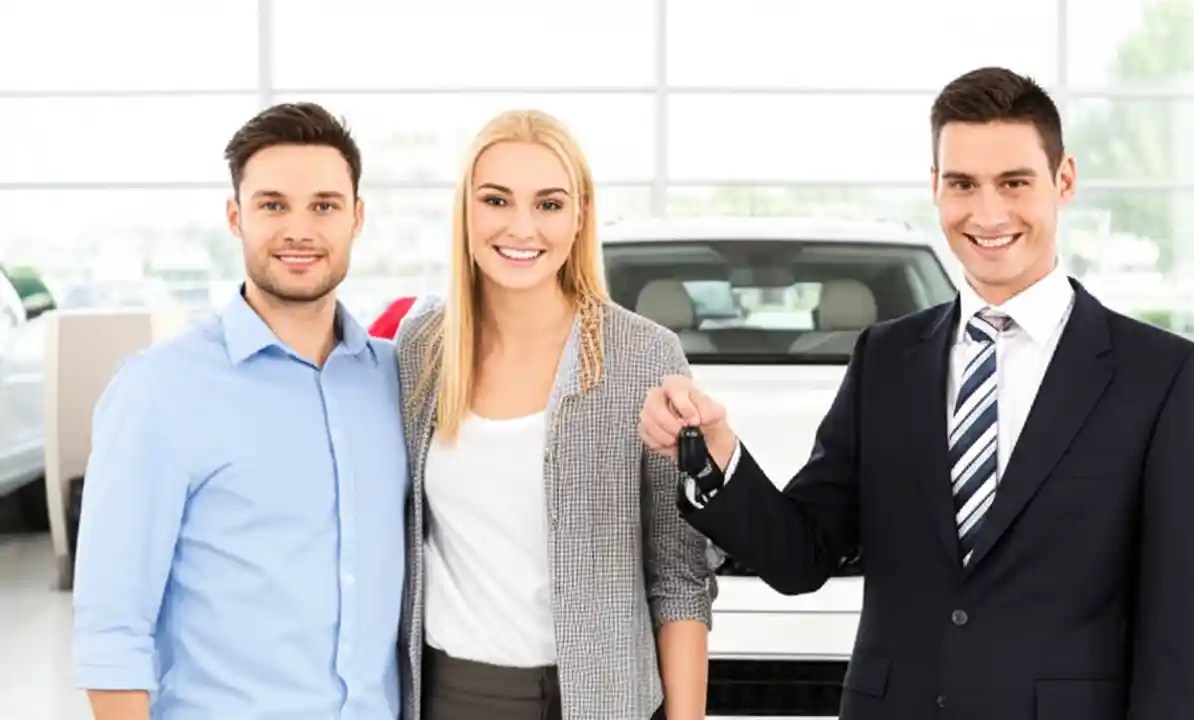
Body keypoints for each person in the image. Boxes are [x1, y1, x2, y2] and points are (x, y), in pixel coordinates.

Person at [639, 67, 1194, 720]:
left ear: (1063, 181)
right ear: (935, 188)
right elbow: (803, 555)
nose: (987, 213)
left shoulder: (1160, 376)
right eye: (963, 185)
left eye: (1014, 182)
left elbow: (1182, 629)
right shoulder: (887, 360)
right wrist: (718, 453)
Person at [72, 103, 408, 719]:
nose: (299, 230)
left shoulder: (392, 379)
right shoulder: (160, 389)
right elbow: (112, 627)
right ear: (236, 216)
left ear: (357, 218)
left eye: (324, 206)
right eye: (273, 205)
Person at [394, 109, 715, 720]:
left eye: (548, 204)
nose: (521, 227)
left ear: (579, 216)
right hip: (455, 696)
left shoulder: (644, 355)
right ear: (465, 211)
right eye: (496, 200)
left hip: (606, 697)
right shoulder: (421, 351)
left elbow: (678, 574)